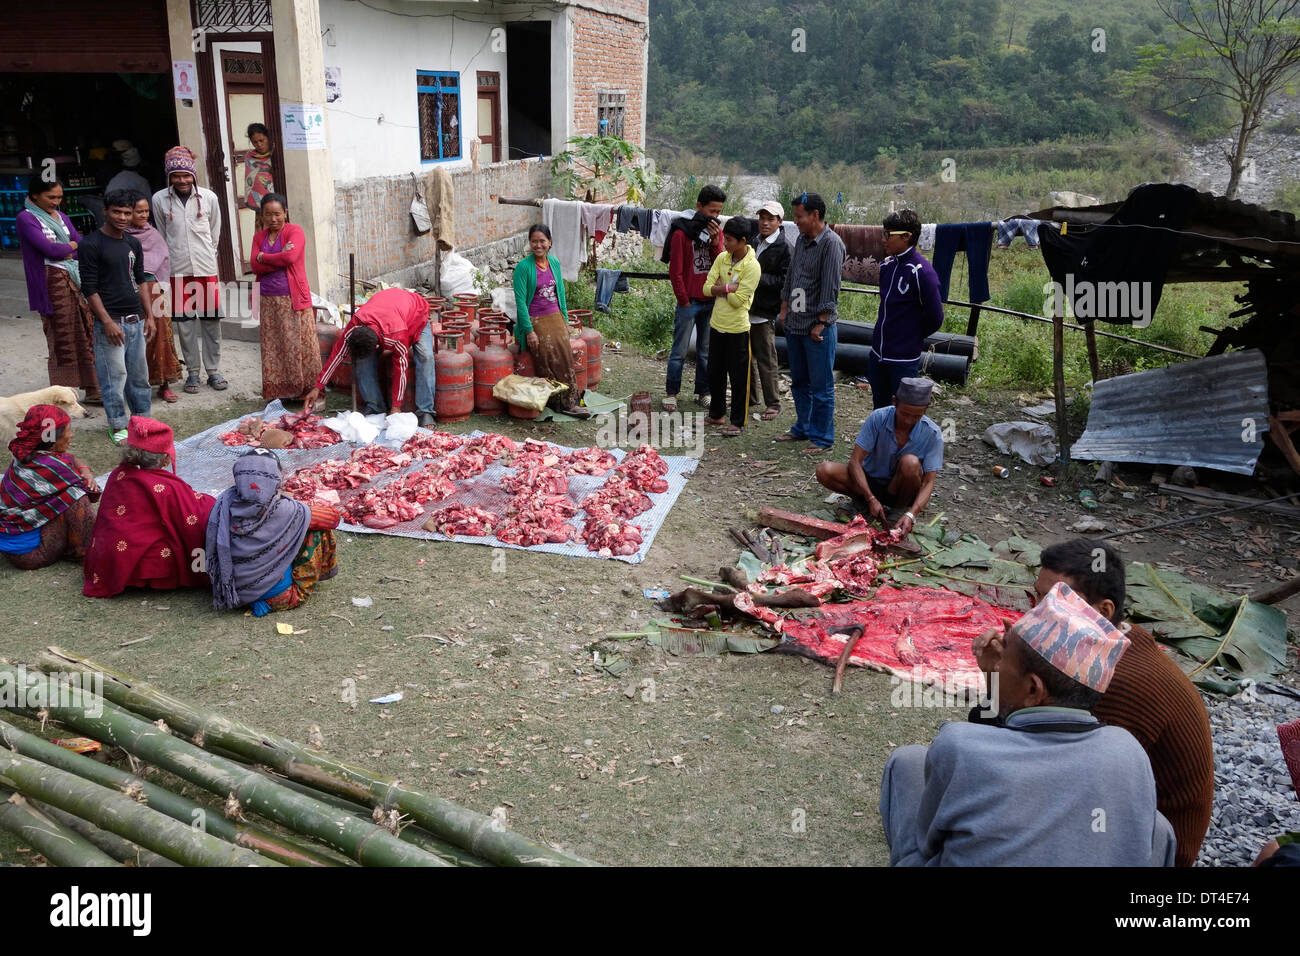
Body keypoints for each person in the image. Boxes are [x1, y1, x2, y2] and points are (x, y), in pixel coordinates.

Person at [880, 580, 1177, 866]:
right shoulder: (1128, 750)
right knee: (1159, 826)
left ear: (1034, 689)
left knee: (907, 762)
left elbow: (932, 843)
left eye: (1003, 657)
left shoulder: (959, 746)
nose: (996, 663)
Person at [970, 538, 1215, 867]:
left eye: (1057, 601)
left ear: (1103, 612)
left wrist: (1006, 675)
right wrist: (999, 674)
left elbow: (1028, 764)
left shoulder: (1112, 679)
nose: (1037, 613)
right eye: (1038, 597)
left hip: (1144, 848)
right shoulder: (1113, 645)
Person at [82, 417, 215, 598]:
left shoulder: (117, 475)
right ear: (165, 459)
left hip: (107, 563)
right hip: (145, 567)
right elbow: (193, 517)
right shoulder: (167, 487)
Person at [206, 448, 340, 616]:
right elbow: (333, 519)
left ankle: (253, 593)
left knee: (301, 523)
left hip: (234, 593)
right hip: (280, 596)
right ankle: (289, 590)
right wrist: (302, 510)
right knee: (317, 531)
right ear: (275, 478)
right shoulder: (286, 509)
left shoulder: (224, 503)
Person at [815, 377, 941, 537]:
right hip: (870, 481)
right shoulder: (878, 417)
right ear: (895, 402)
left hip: (901, 489)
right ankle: (862, 502)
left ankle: (899, 511)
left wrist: (912, 513)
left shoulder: (933, 433)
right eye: (904, 414)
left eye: (916, 416)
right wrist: (870, 498)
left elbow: (929, 481)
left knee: (910, 463)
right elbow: (855, 461)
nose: (908, 421)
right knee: (824, 470)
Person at [16, 177, 101, 405]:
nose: (56, 201)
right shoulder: (26, 218)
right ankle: (63, 395)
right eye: (51, 197)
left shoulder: (61, 217)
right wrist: (69, 247)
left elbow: (78, 244)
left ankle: (93, 389)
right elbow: (49, 250)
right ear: (34, 195)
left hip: (73, 278)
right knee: (62, 336)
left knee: (86, 331)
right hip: (50, 283)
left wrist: (67, 249)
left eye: (60, 197)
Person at [79, 190, 154, 445]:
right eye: (117, 212)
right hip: (110, 324)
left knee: (139, 377)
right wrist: (108, 321)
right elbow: (89, 288)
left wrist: (150, 316)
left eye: (127, 212)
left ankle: (143, 420)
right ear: (105, 211)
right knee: (114, 377)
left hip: (137, 320)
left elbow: (141, 280)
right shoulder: (91, 244)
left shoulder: (132, 243)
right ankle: (118, 425)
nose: (123, 217)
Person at [304, 288, 436, 425]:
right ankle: (375, 407)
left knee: (425, 357)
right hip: (390, 309)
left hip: (416, 314)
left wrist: (396, 407)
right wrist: (317, 387)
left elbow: (401, 369)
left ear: (377, 347)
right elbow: (336, 356)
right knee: (362, 360)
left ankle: (426, 411)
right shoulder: (354, 327)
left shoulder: (396, 336)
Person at [152, 146, 225, 394]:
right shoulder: (159, 199)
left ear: (193, 175)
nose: (181, 180)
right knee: (184, 325)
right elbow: (161, 236)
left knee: (211, 322)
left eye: (186, 175)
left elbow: (215, 232)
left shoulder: (209, 197)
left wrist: (207, 254)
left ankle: (213, 371)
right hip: (178, 271)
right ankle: (193, 373)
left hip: (205, 269)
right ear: (169, 177)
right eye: (176, 176)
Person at [777, 191, 845, 454]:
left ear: (815, 215)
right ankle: (803, 427)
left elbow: (830, 288)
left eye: (799, 216)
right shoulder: (803, 241)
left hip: (818, 327)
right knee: (799, 382)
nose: (795, 221)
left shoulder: (831, 244)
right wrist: (785, 308)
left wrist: (821, 322)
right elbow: (792, 277)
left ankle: (822, 437)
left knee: (821, 385)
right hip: (796, 322)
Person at [0, 405, 97, 570]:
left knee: (69, 493)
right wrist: (87, 478)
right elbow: (92, 492)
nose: (71, 435)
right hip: (30, 555)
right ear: (52, 438)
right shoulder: (53, 466)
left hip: (12, 545)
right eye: (67, 430)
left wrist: (84, 470)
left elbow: (70, 458)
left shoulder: (24, 453)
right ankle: (84, 550)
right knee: (77, 495)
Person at [510, 224, 590, 418]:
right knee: (550, 354)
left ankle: (569, 398)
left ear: (550, 242)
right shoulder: (523, 268)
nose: (538, 245)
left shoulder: (553, 263)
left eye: (542, 241)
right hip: (535, 319)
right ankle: (562, 403)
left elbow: (560, 294)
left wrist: (565, 321)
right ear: (529, 243)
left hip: (555, 316)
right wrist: (528, 331)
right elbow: (520, 303)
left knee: (565, 352)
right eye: (534, 241)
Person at [250, 193, 321, 401]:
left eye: (278, 214)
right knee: (274, 346)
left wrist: (265, 257)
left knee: (301, 344)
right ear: (262, 216)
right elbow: (254, 265)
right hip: (267, 299)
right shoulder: (259, 237)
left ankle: (311, 391)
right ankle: (280, 392)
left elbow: (291, 257)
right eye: (268, 215)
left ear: (285, 213)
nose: (273, 219)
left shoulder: (294, 231)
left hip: (292, 298)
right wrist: (276, 257)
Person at [871, 209, 944, 410]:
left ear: (906, 237)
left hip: (903, 359)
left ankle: (900, 443)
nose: (883, 240)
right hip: (878, 354)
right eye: (883, 234)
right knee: (880, 407)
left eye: (888, 235)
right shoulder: (887, 265)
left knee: (903, 410)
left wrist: (911, 336)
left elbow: (936, 317)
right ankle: (882, 442)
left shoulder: (922, 272)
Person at [662, 185, 725, 412]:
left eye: (718, 212)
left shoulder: (716, 233)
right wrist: (684, 299)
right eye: (712, 211)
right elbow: (675, 271)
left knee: (706, 351)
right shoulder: (681, 233)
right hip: (689, 301)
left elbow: (721, 265)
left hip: (710, 301)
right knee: (679, 351)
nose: (715, 217)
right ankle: (672, 393)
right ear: (699, 207)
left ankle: (703, 392)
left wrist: (716, 241)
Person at [702, 217, 760, 436]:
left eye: (729, 240)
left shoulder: (753, 267)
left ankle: (738, 421)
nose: (724, 243)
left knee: (739, 378)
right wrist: (729, 288)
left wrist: (721, 289)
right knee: (715, 372)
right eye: (725, 239)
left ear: (742, 241)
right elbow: (706, 289)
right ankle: (716, 414)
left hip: (738, 329)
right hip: (717, 325)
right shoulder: (721, 258)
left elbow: (739, 301)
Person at [127, 196, 182, 403]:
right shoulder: (121, 236)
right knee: (134, 337)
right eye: (137, 211)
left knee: (159, 337)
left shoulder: (153, 234)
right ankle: (134, 385)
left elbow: (162, 263)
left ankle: (164, 384)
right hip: (129, 291)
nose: (143, 215)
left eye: (146, 211)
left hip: (154, 290)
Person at [748, 201, 790, 421]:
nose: (764, 223)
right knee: (745, 357)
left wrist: (756, 278)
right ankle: (750, 398)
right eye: (762, 218)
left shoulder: (784, 248)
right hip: (745, 306)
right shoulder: (754, 241)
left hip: (765, 309)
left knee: (766, 358)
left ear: (779, 222)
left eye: (770, 219)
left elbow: (784, 281)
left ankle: (773, 403)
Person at [242, 123, 275, 227]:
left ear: (267, 138)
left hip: (277, 203)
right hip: (261, 205)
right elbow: (251, 182)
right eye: (255, 142)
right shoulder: (250, 158)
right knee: (263, 234)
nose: (259, 145)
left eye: (262, 140)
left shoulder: (276, 154)